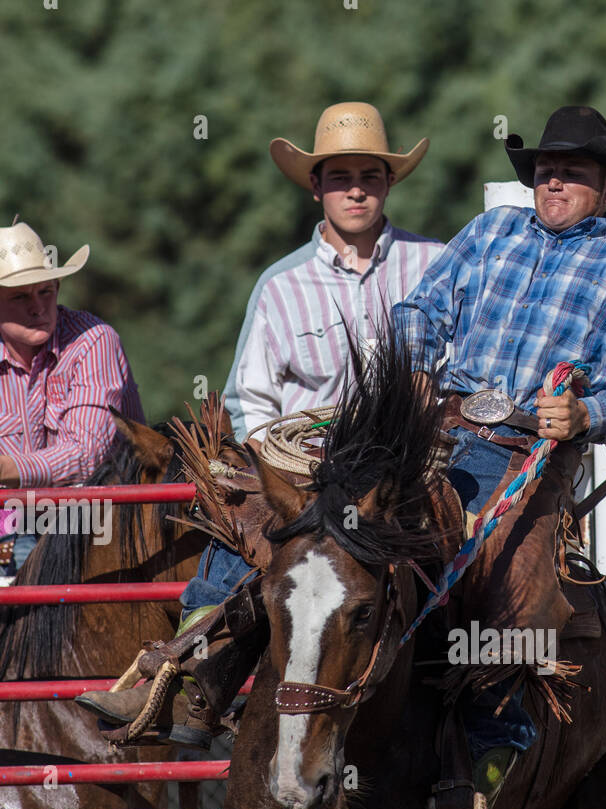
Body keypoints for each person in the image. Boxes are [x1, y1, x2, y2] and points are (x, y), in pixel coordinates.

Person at [79, 101, 441, 737]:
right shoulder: (281, 285)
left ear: (389, 183)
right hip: (304, 474)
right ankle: (186, 684)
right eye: (340, 176)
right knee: (236, 528)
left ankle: (471, 718)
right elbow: (250, 400)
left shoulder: (436, 267)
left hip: (401, 476)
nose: (356, 189)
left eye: (371, 176)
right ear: (315, 186)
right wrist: (278, 469)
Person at [391, 105, 606, 809]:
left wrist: (587, 410)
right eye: (545, 168)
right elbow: (418, 311)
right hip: (439, 423)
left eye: (573, 171)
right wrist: (419, 369)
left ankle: (477, 785)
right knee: (299, 492)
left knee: (500, 599)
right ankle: (200, 652)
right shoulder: (491, 234)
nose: (553, 180)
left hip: (525, 451)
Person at [0, 218, 143, 572]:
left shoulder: (93, 340)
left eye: (45, 291)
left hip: (97, 520)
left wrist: (8, 469)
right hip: (13, 522)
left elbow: (87, 455)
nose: (37, 306)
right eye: (20, 296)